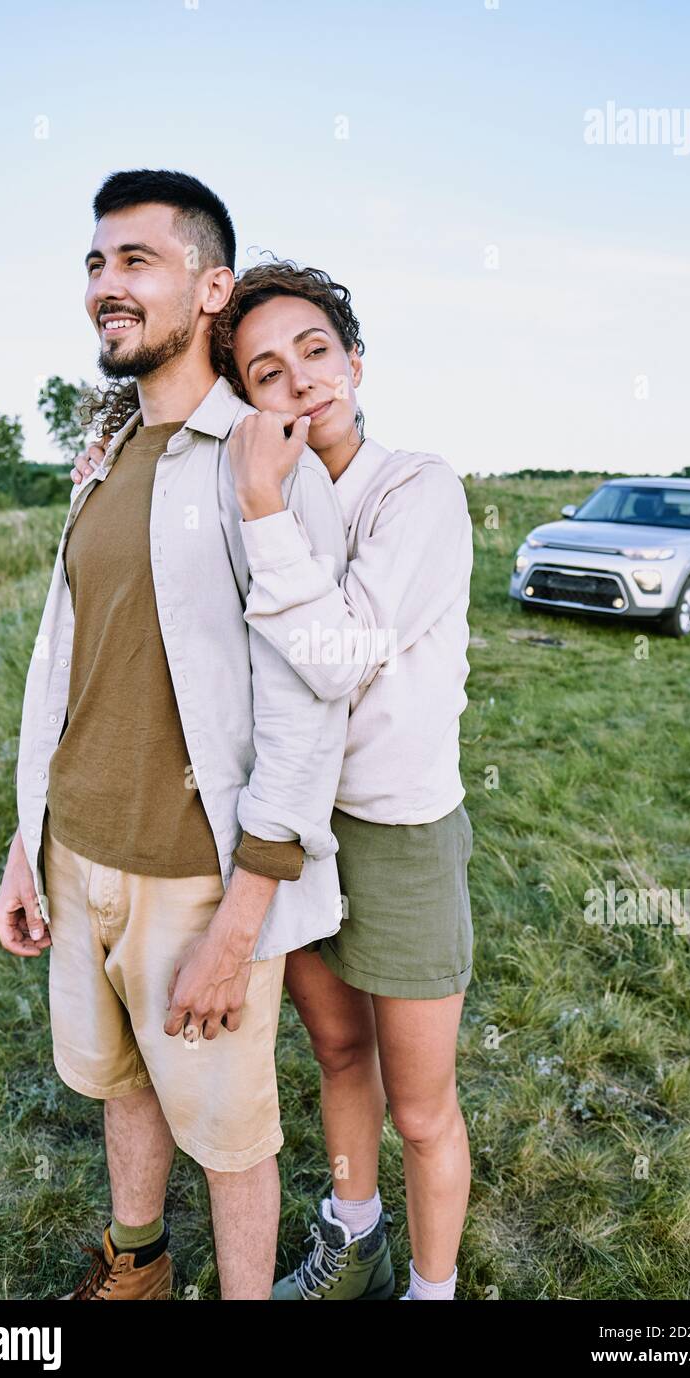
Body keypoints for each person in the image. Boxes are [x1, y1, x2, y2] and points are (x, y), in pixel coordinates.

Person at [74, 259, 475, 1301]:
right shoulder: (266, 487)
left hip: (395, 831)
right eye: (263, 369)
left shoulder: (413, 489)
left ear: (352, 359)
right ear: (241, 396)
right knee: (340, 1057)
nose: (297, 381)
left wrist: (259, 508)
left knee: (420, 1104)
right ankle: (354, 1239)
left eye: (313, 351)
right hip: (293, 828)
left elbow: (339, 659)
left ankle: (432, 1292)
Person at [0, 176, 350, 1301]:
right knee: (122, 1083)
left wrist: (240, 920)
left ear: (209, 287)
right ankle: (136, 1268)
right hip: (78, 849)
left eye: (135, 261)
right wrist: (25, 837)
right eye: (95, 264)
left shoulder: (263, 459)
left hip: (197, 877)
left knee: (233, 1136)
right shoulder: (102, 454)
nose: (106, 286)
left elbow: (307, 707)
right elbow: (71, 661)